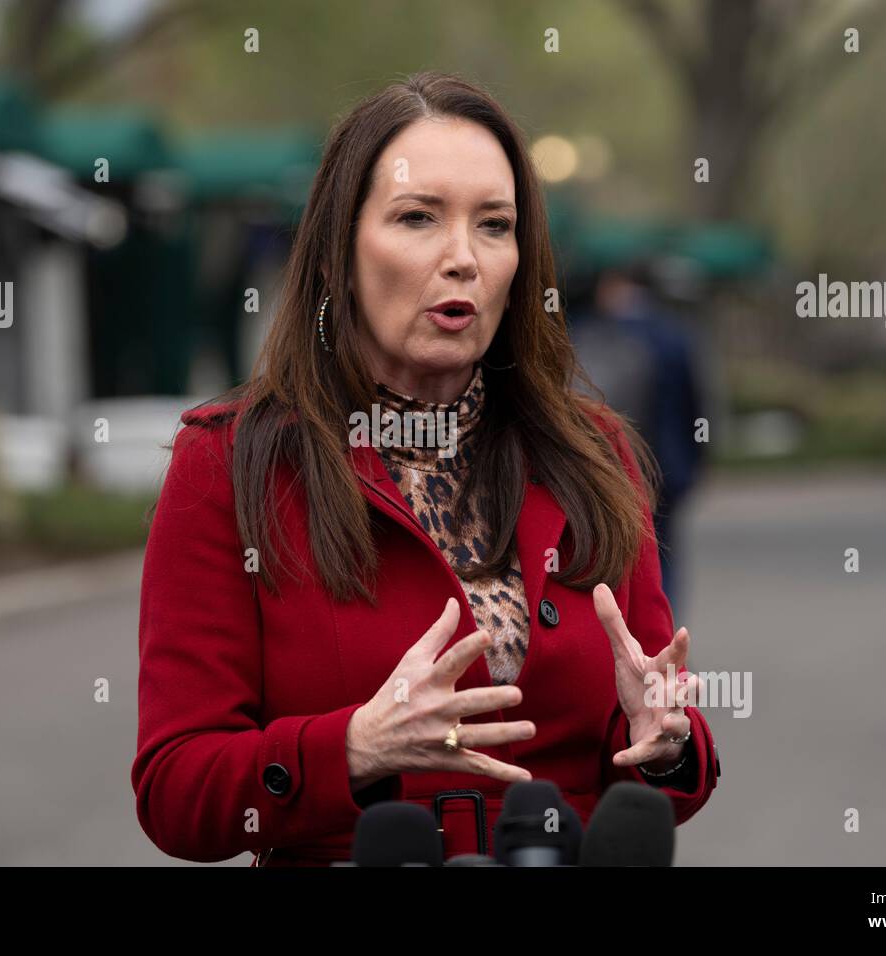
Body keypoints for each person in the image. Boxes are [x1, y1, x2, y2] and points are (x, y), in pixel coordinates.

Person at [132, 72, 720, 866]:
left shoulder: (593, 451)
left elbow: (657, 767)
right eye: (417, 218)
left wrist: (665, 741)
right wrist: (353, 747)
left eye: (495, 225)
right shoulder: (228, 464)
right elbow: (177, 791)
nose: (463, 259)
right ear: (338, 255)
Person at [572, 263, 708, 616]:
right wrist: (694, 464)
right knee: (662, 556)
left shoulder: (588, 332)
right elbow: (696, 408)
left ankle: (619, 626)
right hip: (668, 469)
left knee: (612, 554)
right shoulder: (674, 335)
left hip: (607, 466)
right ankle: (662, 632)